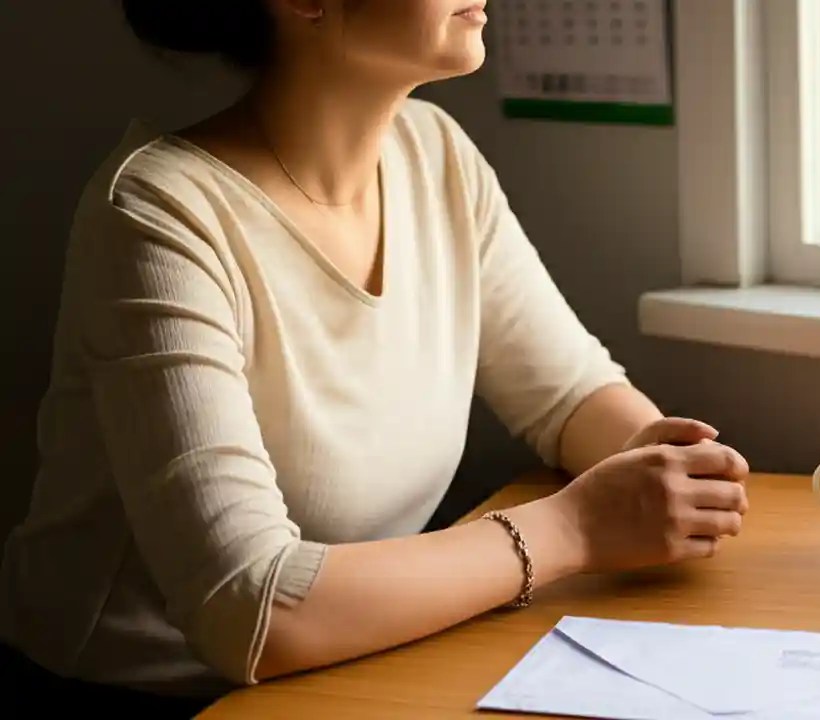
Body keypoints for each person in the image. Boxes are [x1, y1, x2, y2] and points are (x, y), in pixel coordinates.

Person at [0, 0, 750, 714]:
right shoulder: (158, 214)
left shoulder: (435, 153)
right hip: (152, 695)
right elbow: (251, 607)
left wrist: (659, 464)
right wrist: (575, 530)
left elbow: (568, 396)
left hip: (353, 664)